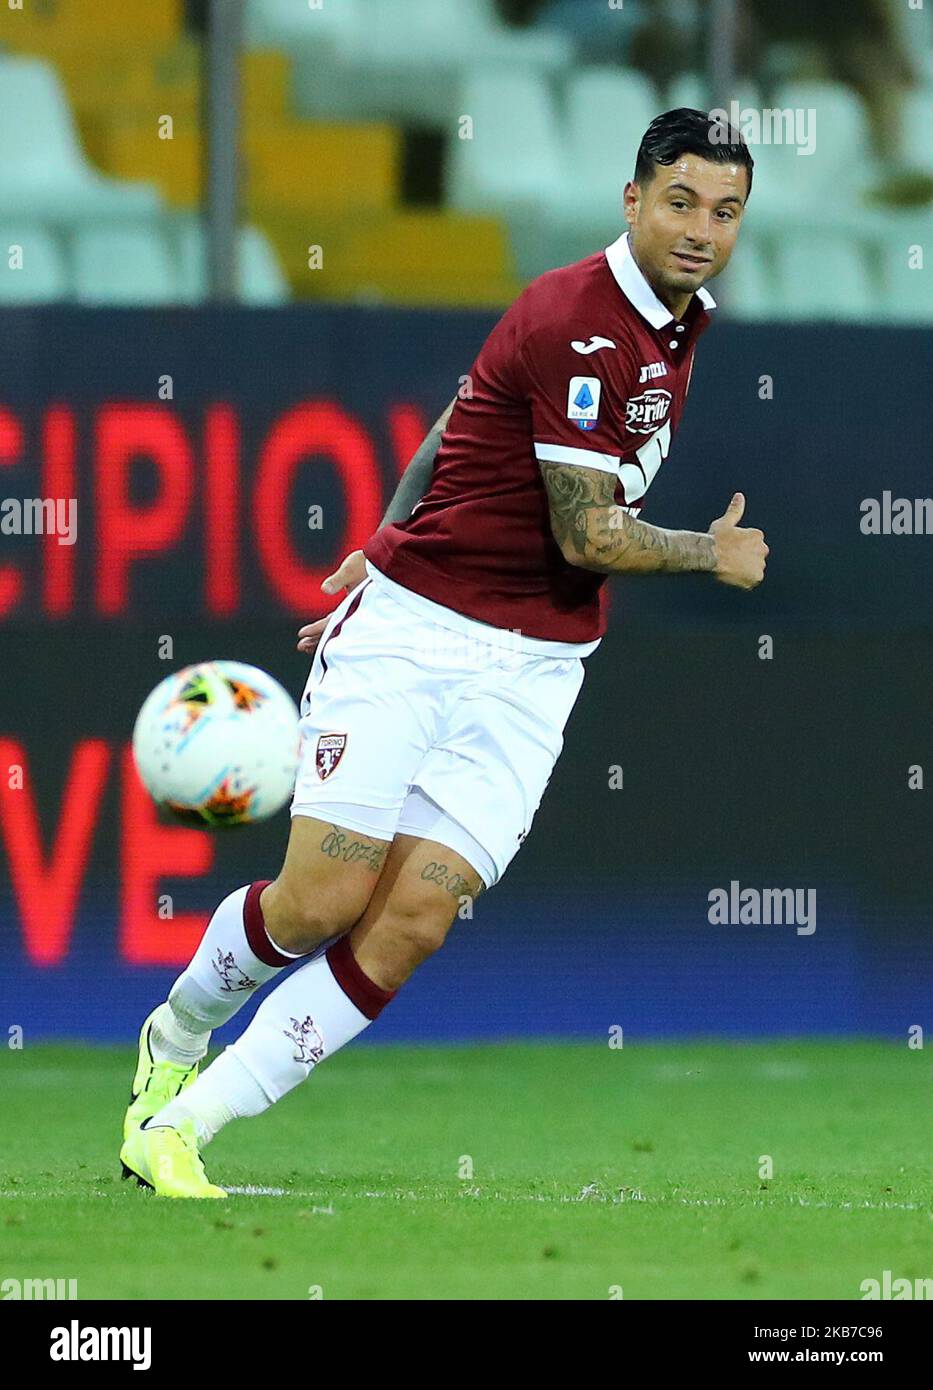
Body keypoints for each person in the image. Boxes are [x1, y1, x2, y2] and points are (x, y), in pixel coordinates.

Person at [119, 109, 767, 1198]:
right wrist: (713, 552)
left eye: (728, 211)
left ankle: (182, 1128)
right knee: (320, 903)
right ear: (632, 199)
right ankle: (175, 1033)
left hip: (535, 670)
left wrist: (384, 530)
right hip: (421, 638)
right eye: (682, 202)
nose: (703, 229)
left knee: (412, 920)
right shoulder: (580, 318)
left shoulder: (677, 318)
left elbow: (462, 413)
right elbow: (586, 532)